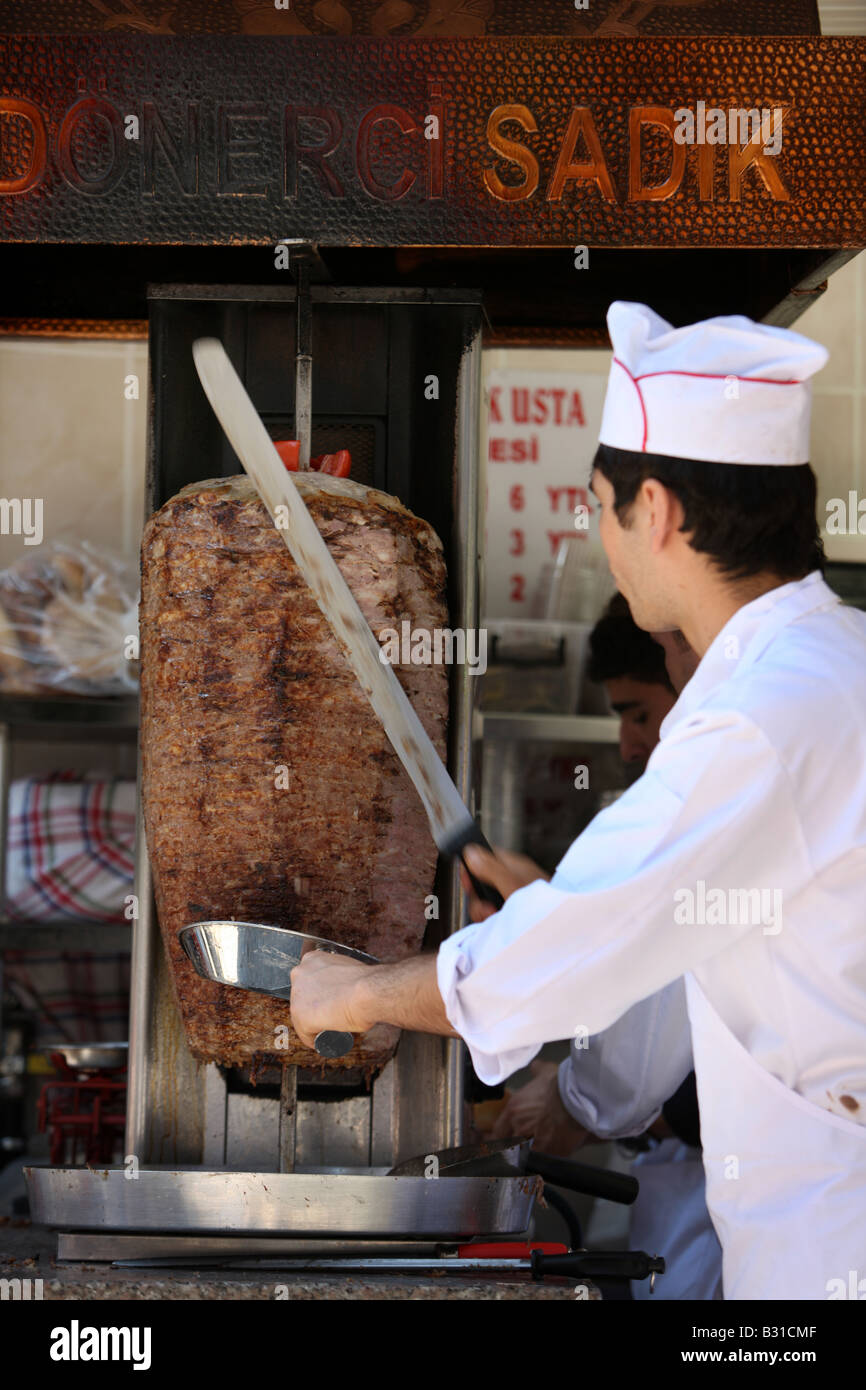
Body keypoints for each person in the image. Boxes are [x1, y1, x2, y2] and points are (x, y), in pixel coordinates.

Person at [290, 301, 866, 1301]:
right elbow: (666, 929)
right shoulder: (832, 661)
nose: (600, 537)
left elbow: (579, 950)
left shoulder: (758, 716)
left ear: (659, 511)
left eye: (600, 504)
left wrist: (355, 993)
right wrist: (557, 922)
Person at [492, 595, 722, 1300]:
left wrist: (574, 1103)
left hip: (744, 1194)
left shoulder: (707, 800)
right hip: (690, 1186)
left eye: (639, 712)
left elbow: (634, 1067)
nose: (626, 743)